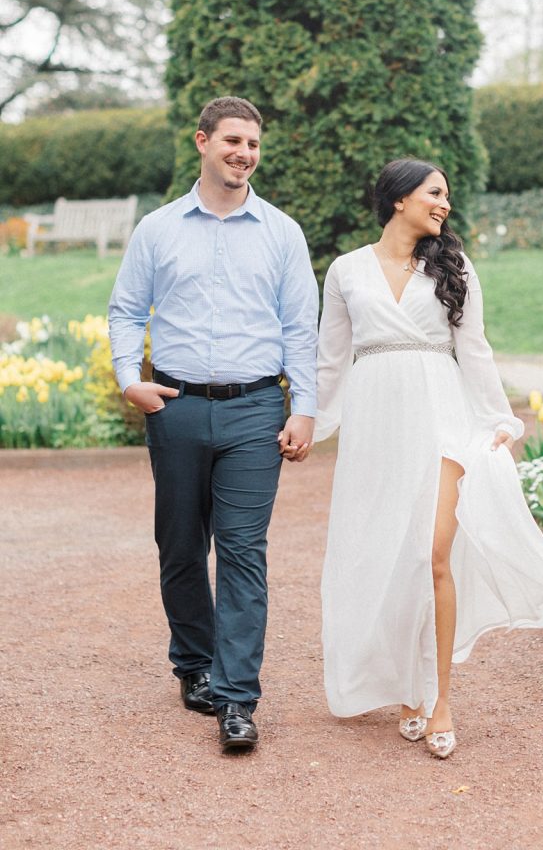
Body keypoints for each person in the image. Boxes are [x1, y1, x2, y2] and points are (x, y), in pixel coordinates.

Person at [313, 158, 543, 758]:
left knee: (432, 552)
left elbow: (477, 349)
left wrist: (497, 419)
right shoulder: (346, 271)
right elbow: (331, 360)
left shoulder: (455, 268)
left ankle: (440, 697)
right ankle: (406, 690)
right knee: (385, 555)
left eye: (446, 195)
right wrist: (309, 423)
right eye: (434, 193)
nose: (444, 204)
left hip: (443, 420)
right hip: (374, 429)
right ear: (398, 199)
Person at [108, 95, 318, 753]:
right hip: (176, 406)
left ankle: (236, 699)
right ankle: (193, 664)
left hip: (256, 409)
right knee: (178, 545)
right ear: (202, 142)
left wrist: (305, 406)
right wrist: (129, 380)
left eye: (253, 144)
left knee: (242, 551)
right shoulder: (158, 229)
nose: (244, 154)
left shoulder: (282, 232)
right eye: (232, 141)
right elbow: (124, 309)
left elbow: (299, 330)